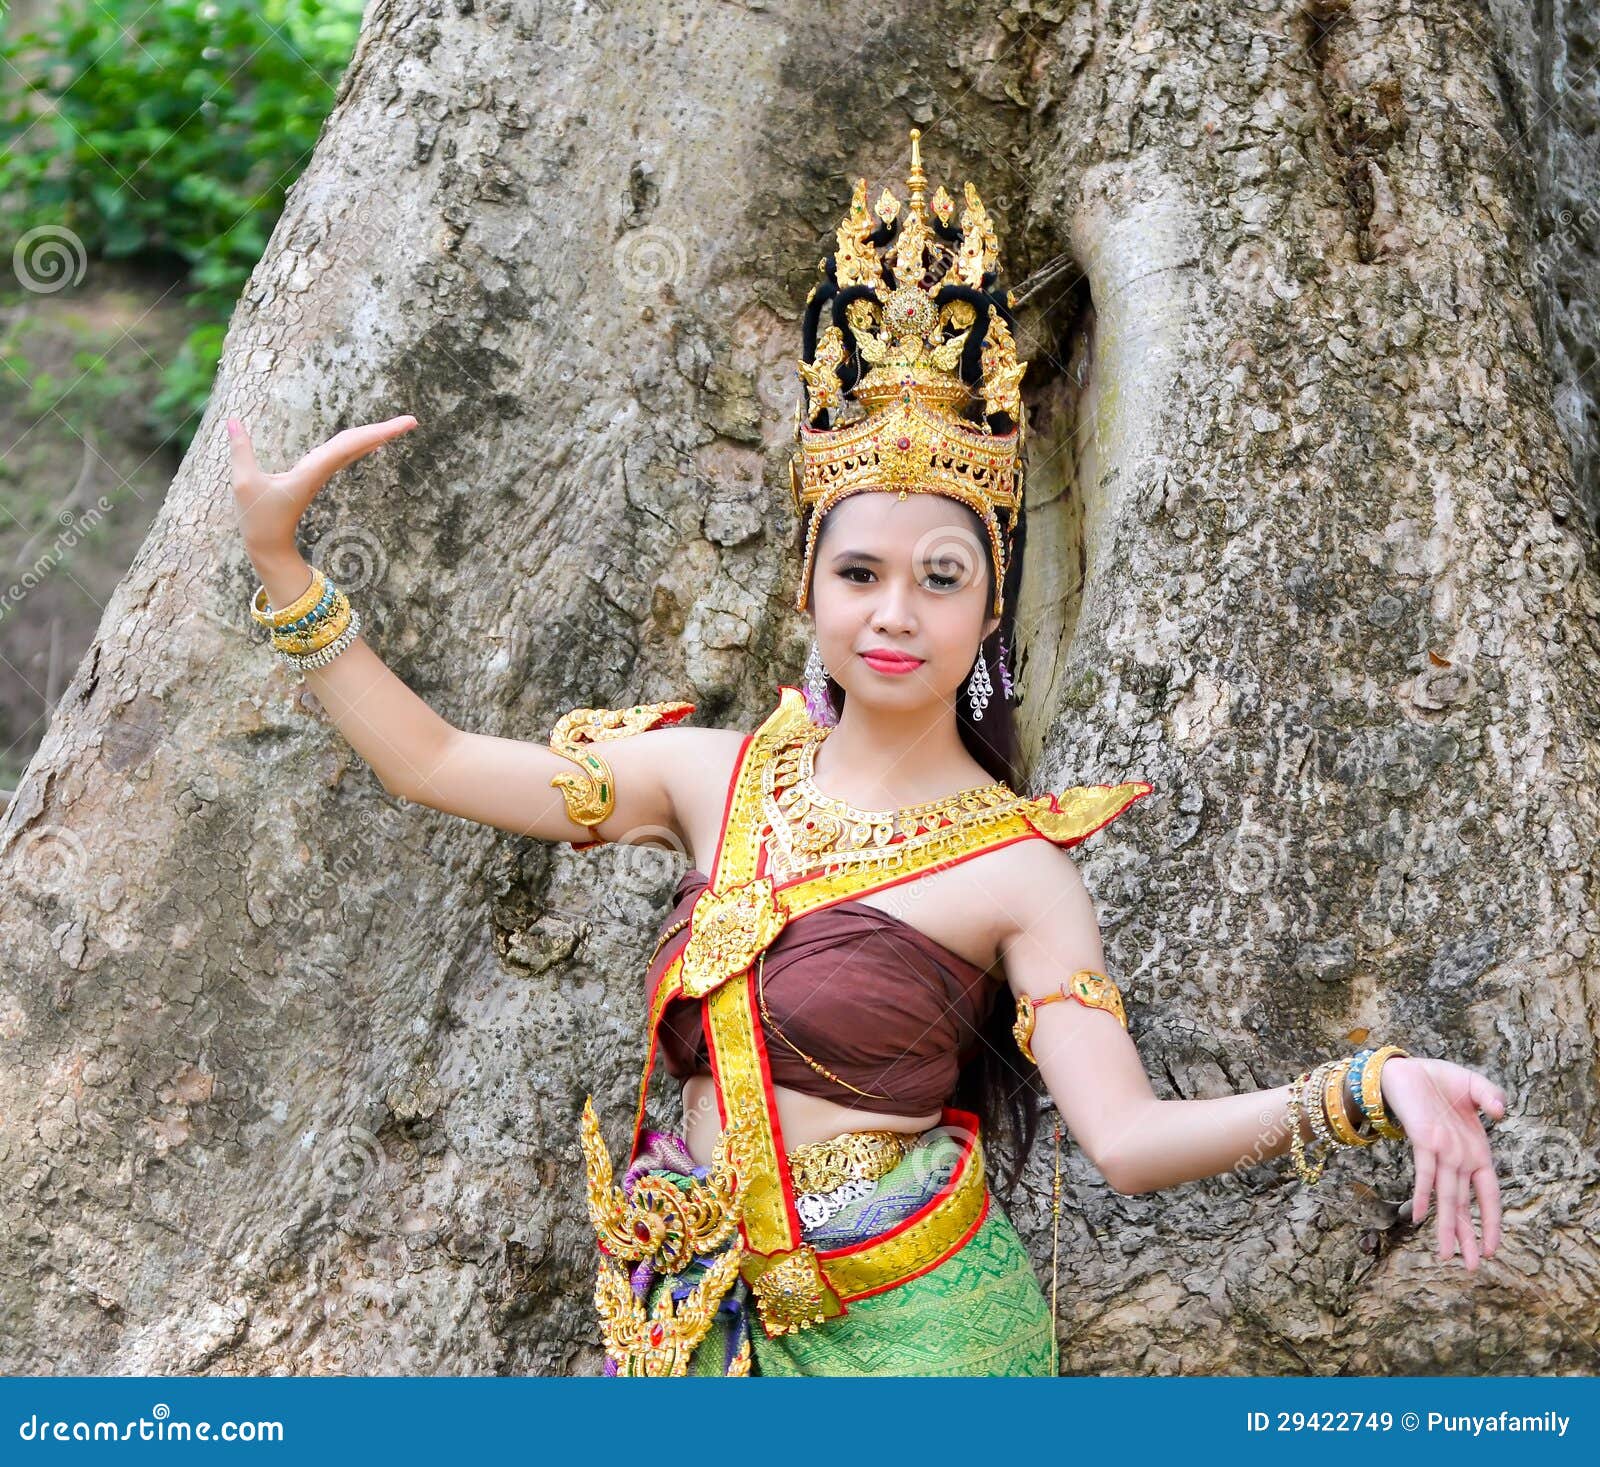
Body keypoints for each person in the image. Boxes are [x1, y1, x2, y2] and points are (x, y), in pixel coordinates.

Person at [229, 131, 1508, 1379]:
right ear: (810, 591)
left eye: (938, 580)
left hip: (919, 1335)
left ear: (985, 609)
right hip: (691, 1316)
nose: (894, 614)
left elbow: (1124, 1141)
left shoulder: (1019, 873)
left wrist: (1364, 1086)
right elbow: (436, 764)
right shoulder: (711, 780)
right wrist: (284, 567)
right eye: (860, 574)